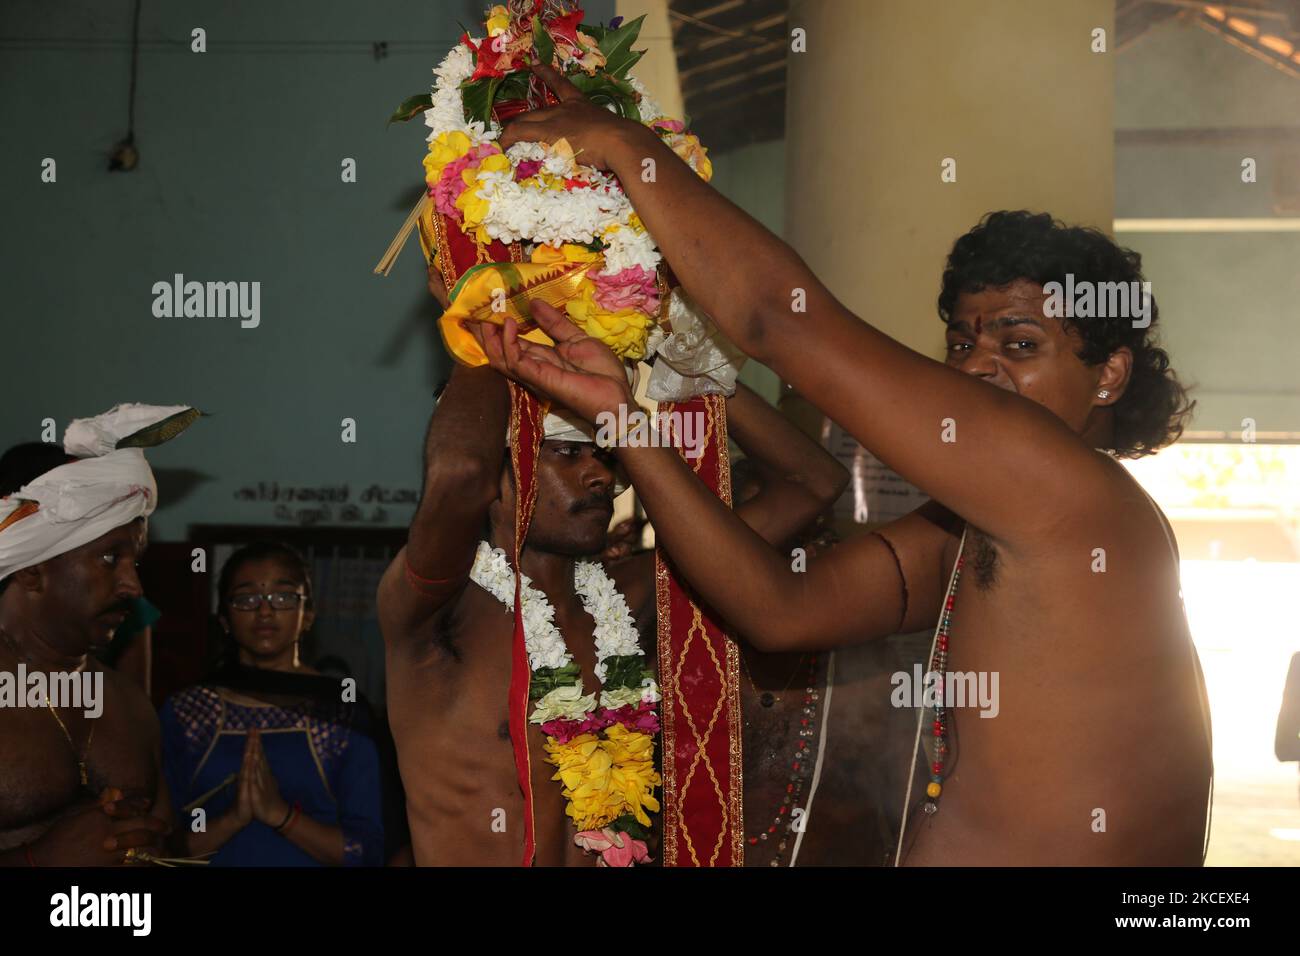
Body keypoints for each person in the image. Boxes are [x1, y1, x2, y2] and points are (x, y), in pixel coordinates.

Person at [472, 64, 1214, 866]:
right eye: (962, 343)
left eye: (1020, 343)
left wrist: (626, 147)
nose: (978, 368)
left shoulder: (1072, 494)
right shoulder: (975, 533)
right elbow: (780, 610)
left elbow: (781, 322)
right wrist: (622, 420)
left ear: (1109, 375)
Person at [379, 266, 847, 865]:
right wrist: (483, 335)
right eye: (567, 453)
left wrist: (685, 362)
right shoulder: (436, 610)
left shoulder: (632, 596)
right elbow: (458, 473)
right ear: (501, 472)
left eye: (606, 454)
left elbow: (813, 483)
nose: (600, 475)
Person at [0, 407, 194, 865]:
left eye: (136, 561)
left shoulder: (131, 706)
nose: (134, 586)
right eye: (110, 558)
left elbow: (168, 846)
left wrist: (145, 847)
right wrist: (38, 861)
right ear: (32, 568)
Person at [160, 541, 384, 865]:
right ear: (224, 620)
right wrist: (234, 818)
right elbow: (161, 848)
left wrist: (281, 815)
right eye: (246, 599)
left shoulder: (341, 711)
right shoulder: (189, 712)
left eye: (282, 597)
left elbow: (366, 853)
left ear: (307, 615)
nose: (264, 611)